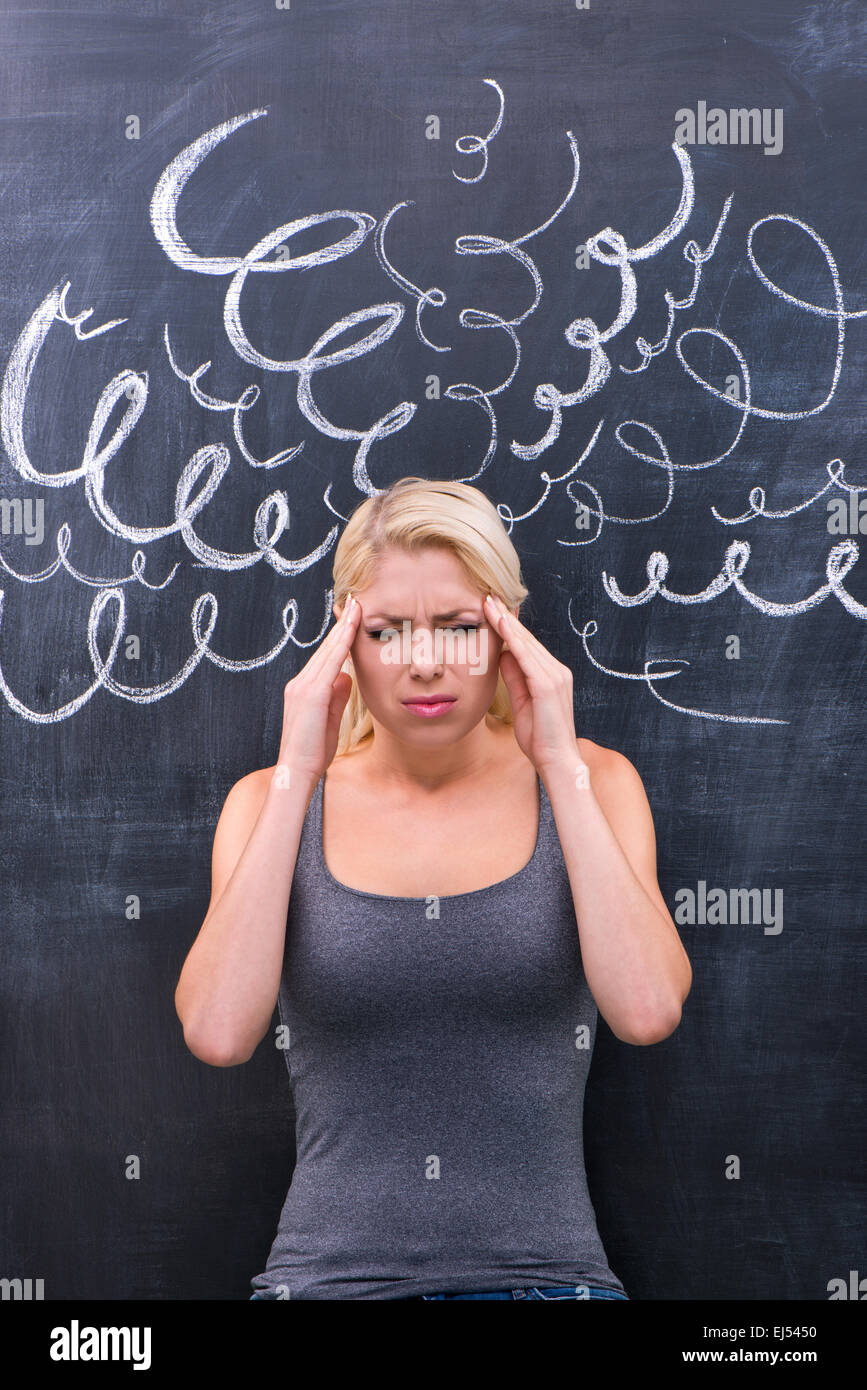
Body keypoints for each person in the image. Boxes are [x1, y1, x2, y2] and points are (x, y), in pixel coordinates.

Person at [175, 476, 692, 1300]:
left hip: (547, 1285)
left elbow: (645, 1010)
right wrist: (296, 771)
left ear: (504, 633)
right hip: (325, 1286)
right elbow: (218, 1030)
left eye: (456, 628)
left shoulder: (593, 781)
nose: (422, 664)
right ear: (345, 641)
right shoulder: (270, 800)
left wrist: (557, 762)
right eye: (386, 631)